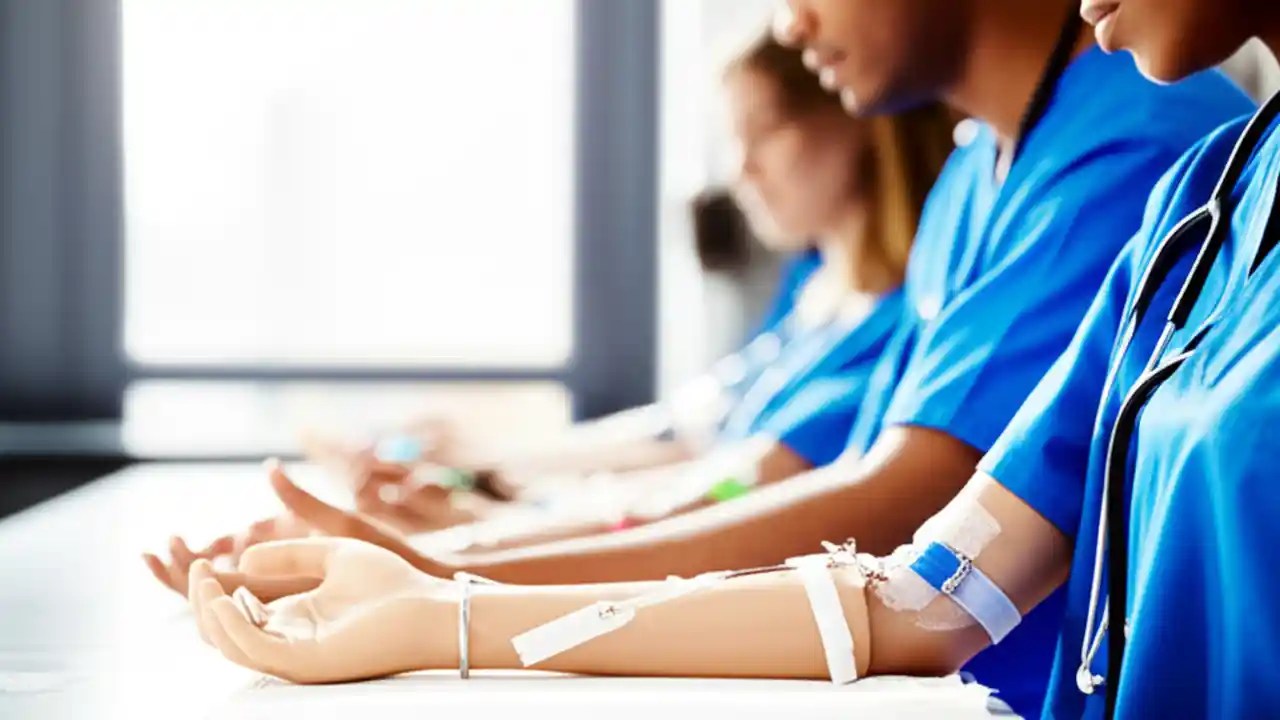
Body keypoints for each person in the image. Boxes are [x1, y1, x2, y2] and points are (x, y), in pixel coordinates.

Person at [167, 1, 1257, 717]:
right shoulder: (1196, 195)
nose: (789, 21)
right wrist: (436, 606)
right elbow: (932, 590)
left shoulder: (1139, 145)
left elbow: (875, 493)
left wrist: (467, 557)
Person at [148, 34, 954, 567]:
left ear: (859, 121)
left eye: (765, 132)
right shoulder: (805, 296)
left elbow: (724, 488)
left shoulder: (900, 325)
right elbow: (684, 442)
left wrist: (467, 537)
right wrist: (475, 478)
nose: (743, 171)